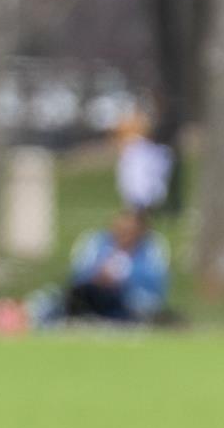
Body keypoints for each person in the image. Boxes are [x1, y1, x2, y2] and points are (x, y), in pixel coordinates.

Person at [30, 209, 171, 326]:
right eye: (120, 229)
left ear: (140, 231)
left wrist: (122, 279)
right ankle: (31, 317)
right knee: (55, 296)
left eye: (129, 230)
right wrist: (97, 276)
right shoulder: (96, 243)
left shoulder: (151, 248)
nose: (124, 234)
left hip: (130, 297)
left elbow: (156, 281)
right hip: (95, 294)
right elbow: (78, 274)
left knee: (141, 303)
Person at [113, 114, 173, 216]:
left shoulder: (146, 147)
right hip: (135, 169)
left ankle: (144, 209)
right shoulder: (132, 145)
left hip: (143, 170)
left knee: (143, 186)